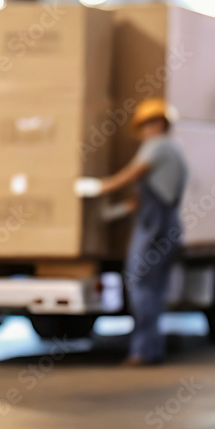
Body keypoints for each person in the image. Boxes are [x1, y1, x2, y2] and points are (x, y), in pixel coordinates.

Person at [74, 98, 188, 365]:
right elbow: (142, 198)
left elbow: (134, 173)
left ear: (159, 123)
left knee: (141, 284)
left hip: (155, 225)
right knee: (152, 287)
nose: (144, 131)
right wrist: (116, 211)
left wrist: (99, 188)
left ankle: (144, 351)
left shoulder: (158, 146)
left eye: (147, 124)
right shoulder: (174, 149)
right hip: (165, 223)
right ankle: (150, 347)